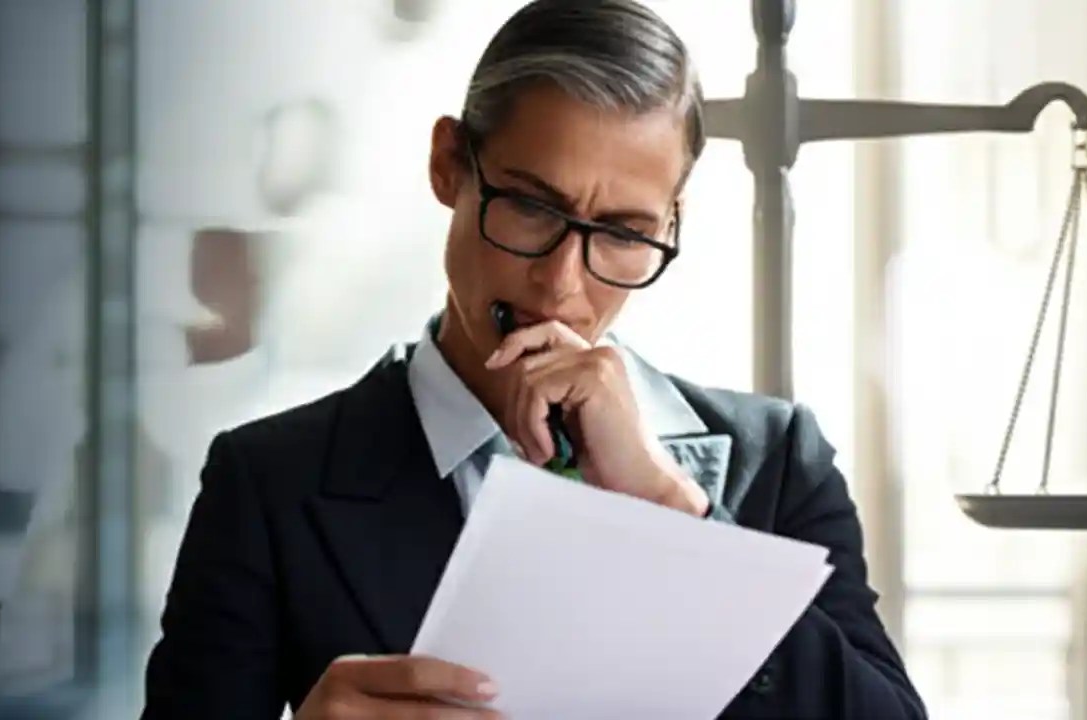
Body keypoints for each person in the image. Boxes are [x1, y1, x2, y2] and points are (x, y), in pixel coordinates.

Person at [142, 1, 927, 718]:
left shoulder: (779, 464)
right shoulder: (270, 482)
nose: (561, 283)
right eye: (529, 206)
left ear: (670, 225)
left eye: (621, 232)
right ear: (449, 163)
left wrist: (670, 509)